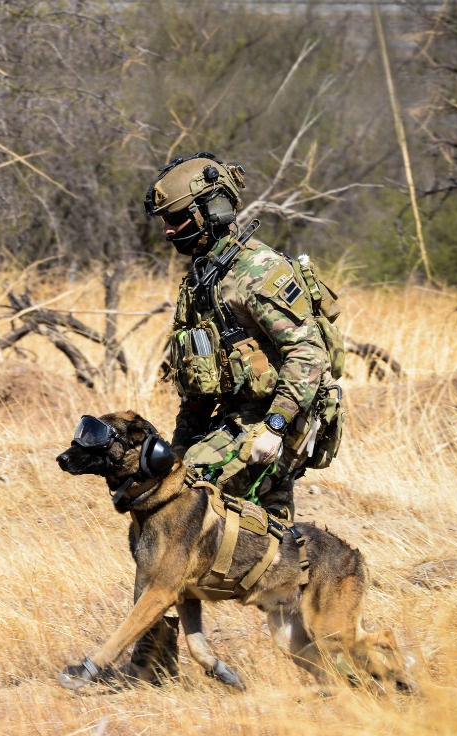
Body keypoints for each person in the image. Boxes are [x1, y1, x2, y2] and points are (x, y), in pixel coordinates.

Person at [128, 151, 337, 684]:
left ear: (213, 210)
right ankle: (338, 680)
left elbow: (309, 353)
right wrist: (176, 450)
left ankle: (148, 668)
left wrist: (274, 426)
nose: (171, 231)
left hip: (266, 426)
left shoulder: (257, 273)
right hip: (234, 423)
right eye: (167, 222)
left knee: (165, 518)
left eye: (180, 219)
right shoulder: (201, 281)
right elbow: (197, 379)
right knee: (280, 569)